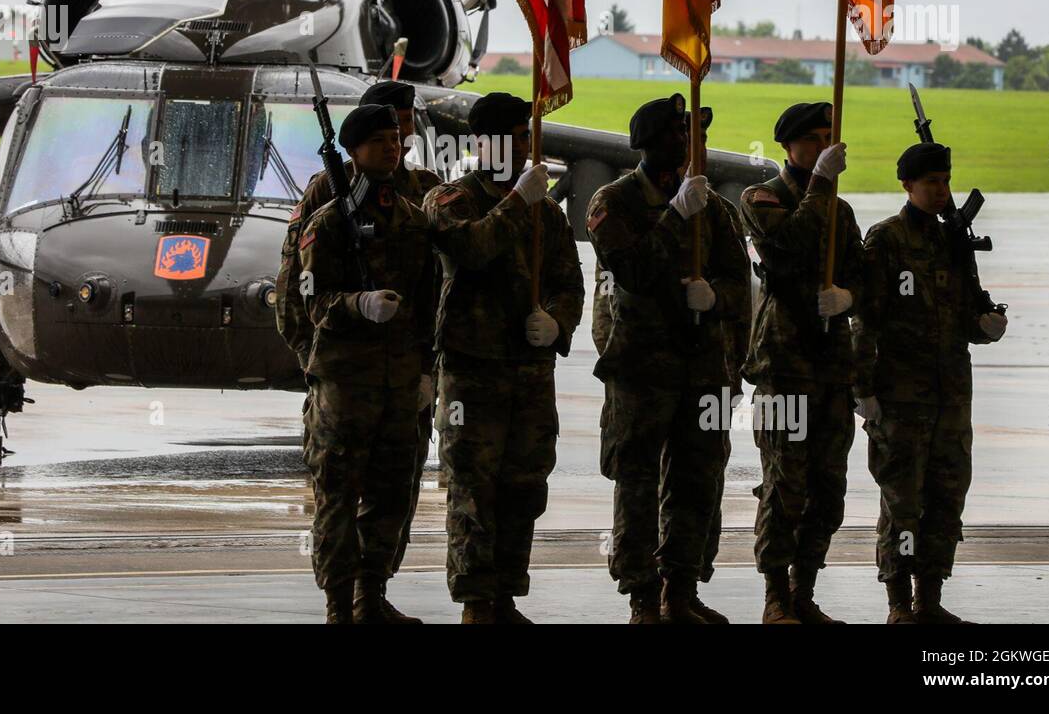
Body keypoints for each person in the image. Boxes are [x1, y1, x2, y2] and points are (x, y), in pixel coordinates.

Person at [276, 79, 440, 623]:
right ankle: (339, 604)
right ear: (355, 146)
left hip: (401, 380)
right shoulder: (327, 205)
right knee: (338, 494)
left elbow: (432, 297)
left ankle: (372, 594)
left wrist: (428, 370)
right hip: (345, 380)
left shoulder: (419, 206)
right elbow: (300, 294)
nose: (395, 143)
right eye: (381, 135)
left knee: (395, 492)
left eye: (398, 130)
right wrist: (319, 356)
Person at [587, 95, 750, 623]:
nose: (692, 143)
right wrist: (677, 216)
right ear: (654, 141)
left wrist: (717, 299)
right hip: (641, 370)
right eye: (683, 133)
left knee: (698, 480)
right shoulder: (614, 201)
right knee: (637, 484)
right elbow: (632, 270)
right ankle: (642, 596)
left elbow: (738, 287)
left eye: (695, 133)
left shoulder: (716, 211)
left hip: (704, 369)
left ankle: (681, 591)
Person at [424, 92, 584, 624]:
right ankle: (475, 601)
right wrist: (517, 200)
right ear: (486, 141)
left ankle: (506, 595)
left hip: (531, 371)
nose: (526, 145)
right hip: (473, 371)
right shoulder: (452, 198)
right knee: (473, 488)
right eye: (518, 136)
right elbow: (471, 249)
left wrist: (557, 321)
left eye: (527, 135)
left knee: (524, 485)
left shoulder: (544, 211)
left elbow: (569, 279)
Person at [852, 141, 1007, 624]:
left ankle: (930, 600)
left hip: (951, 396)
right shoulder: (886, 240)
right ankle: (899, 603)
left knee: (946, 498)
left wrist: (985, 327)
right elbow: (866, 319)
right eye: (930, 183)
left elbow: (964, 316)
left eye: (945, 181)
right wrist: (863, 389)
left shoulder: (953, 243)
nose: (941, 191)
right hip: (901, 397)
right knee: (903, 503)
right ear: (907, 186)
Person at [738, 101, 863, 624]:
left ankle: (803, 589)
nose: (821, 147)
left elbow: (864, 274)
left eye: (827, 138)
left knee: (828, 488)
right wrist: (821, 187)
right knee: (784, 485)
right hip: (782, 364)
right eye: (812, 139)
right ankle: (774, 595)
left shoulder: (841, 209)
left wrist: (848, 298)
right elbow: (786, 247)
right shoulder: (762, 196)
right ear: (789, 145)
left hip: (832, 364)